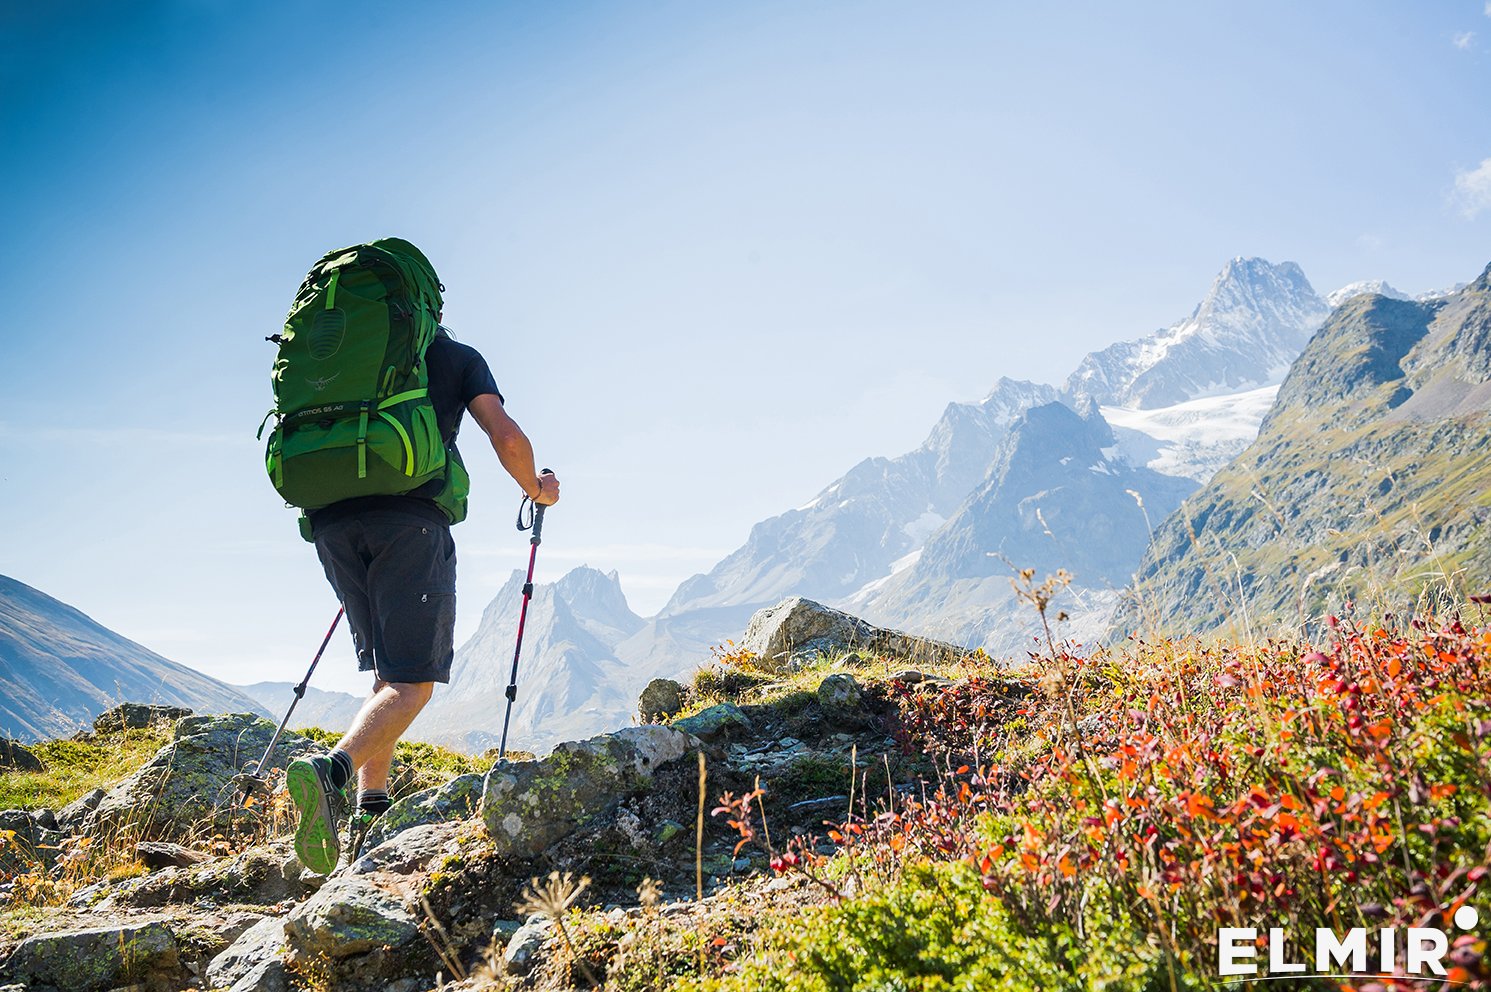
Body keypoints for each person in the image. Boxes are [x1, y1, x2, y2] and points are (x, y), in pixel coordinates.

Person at [285, 323, 559, 874]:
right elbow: (505, 438)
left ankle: (368, 816)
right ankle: (330, 774)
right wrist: (538, 488)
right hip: (409, 522)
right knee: (414, 683)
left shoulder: (347, 361)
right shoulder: (455, 356)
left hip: (330, 523)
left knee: (390, 673)